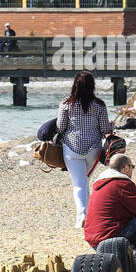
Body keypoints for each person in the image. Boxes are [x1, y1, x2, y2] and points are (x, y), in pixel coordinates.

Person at [56, 71, 115, 227]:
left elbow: (60, 127)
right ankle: (88, 216)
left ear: (74, 85)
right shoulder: (99, 105)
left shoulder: (66, 103)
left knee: (79, 183)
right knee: (84, 182)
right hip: (93, 149)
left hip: (72, 149)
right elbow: (104, 129)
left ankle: (82, 216)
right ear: (92, 86)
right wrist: (111, 126)